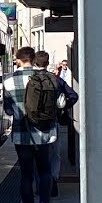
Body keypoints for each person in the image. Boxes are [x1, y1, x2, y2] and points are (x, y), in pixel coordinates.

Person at [3, 47, 57, 203]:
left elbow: (8, 109)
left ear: (18, 60)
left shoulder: (9, 81)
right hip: (44, 134)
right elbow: (58, 103)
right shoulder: (47, 77)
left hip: (21, 135)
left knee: (26, 176)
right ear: (34, 59)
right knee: (45, 171)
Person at [34, 51, 77, 193]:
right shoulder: (56, 80)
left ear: (35, 63)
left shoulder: (31, 80)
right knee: (54, 154)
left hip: (35, 125)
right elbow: (73, 95)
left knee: (38, 155)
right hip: (54, 122)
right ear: (47, 64)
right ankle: (53, 179)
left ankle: (40, 184)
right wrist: (63, 107)